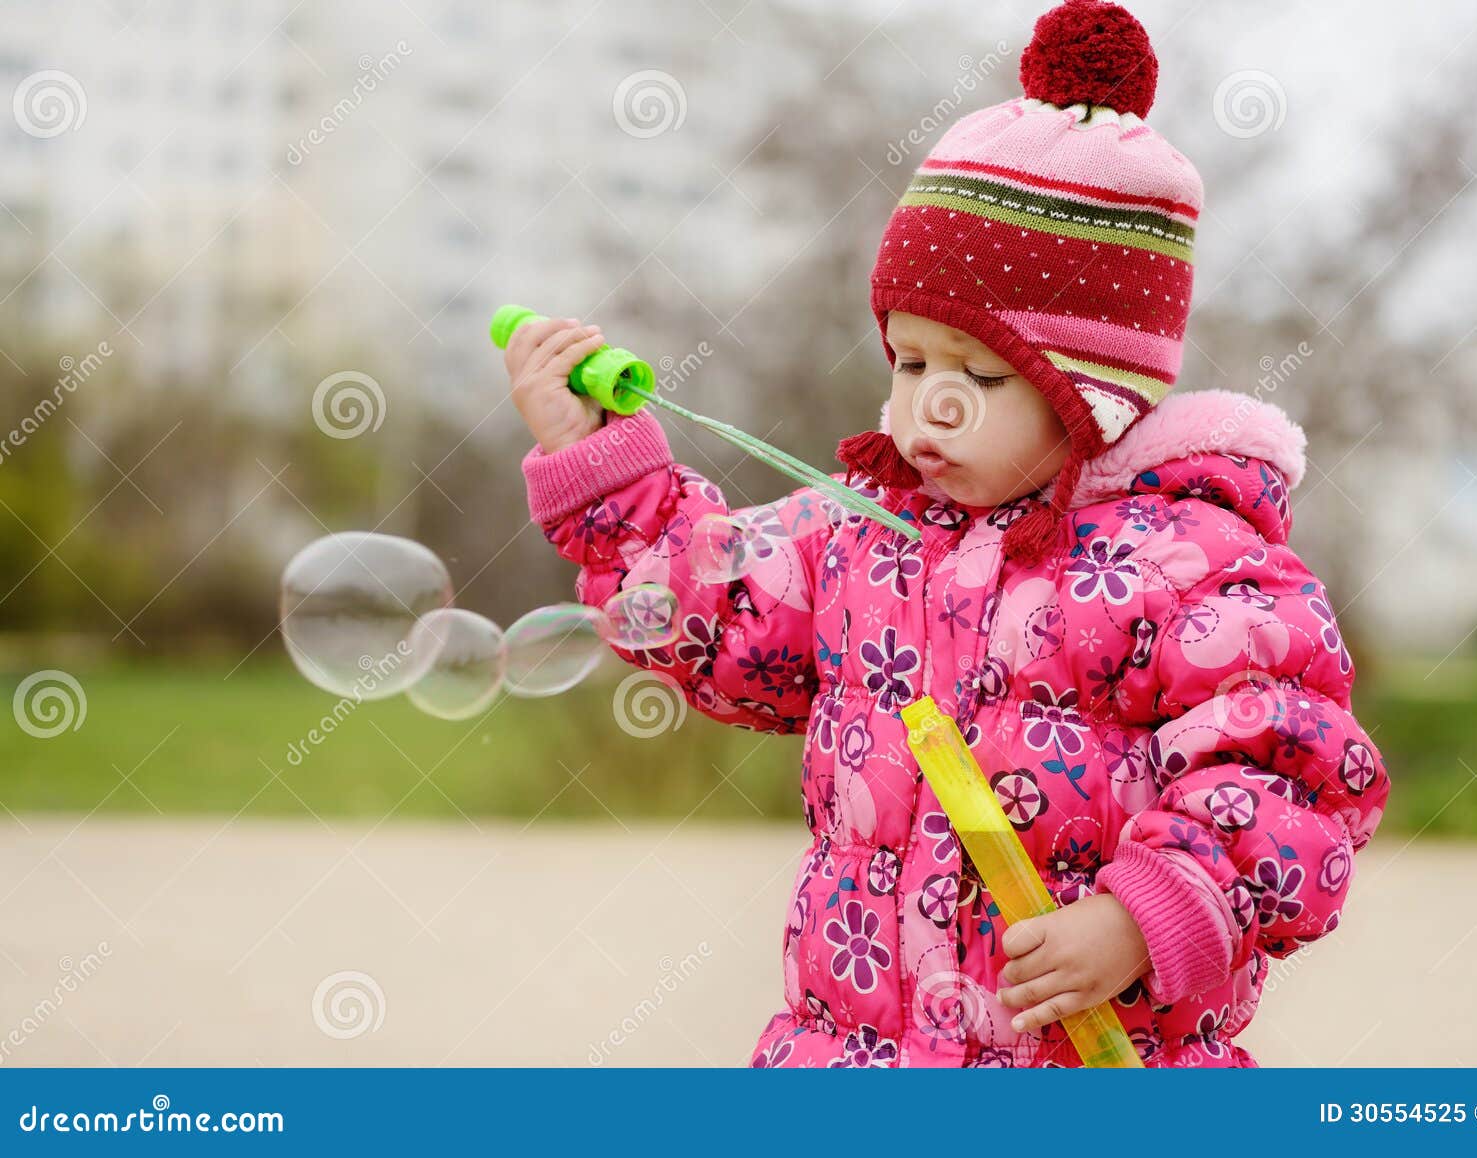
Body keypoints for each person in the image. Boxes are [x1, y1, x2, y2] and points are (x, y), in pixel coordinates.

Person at [505, 0, 1389, 1068]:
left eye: (980, 374)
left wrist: (1143, 918)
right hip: (858, 1063)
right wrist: (603, 464)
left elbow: (1289, 776)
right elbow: (712, 613)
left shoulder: (1189, 563)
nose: (928, 407)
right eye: (911, 362)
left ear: (1094, 390)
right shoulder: (861, 538)